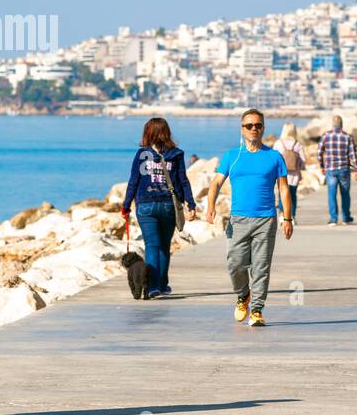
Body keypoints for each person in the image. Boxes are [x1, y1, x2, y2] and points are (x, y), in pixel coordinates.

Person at [205, 109, 293, 327]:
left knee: (261, 266)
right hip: (238, 219)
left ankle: (256, 309)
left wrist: (287, 218)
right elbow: (216, 183)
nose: (254, 129)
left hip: (266, 219)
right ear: (242, 129)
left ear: (263, 128)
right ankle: (243, 294)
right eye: (249, 125)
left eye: (258, 125)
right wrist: (210, 206)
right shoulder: (232, 156)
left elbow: (283, 189)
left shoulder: (274, 156)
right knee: (235, 263)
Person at [122, 118, 198, 298]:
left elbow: (134, 181)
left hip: (146, 205)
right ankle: (162, 285)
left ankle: (153, 286)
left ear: (147, 133)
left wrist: (126, 206)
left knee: (152, 246)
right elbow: (183, 181)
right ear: (167, 133)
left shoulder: (142, 154)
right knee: (164, 246)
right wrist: (190, 204)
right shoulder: (176, 154)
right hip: (168, 206)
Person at [320, 115, 357, 226]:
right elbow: (353, 155)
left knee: (331, 194)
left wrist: (322, 166)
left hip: (330, 169)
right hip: (344, 169)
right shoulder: (347, 137)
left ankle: (333, 219)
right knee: (345, 194)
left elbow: (319, 153)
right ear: (342, 124)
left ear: (332, 124)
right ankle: (346, 218)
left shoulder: (326, 136)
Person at [274, 122, 307, 222]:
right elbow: (303, 159)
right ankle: (292, 216)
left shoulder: (279, 143)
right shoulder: (297, 144)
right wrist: (298, 167)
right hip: (294, 175)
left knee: (281, 195)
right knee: (292, 196)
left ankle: (281, 215)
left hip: (281, 174)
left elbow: (273, 159)